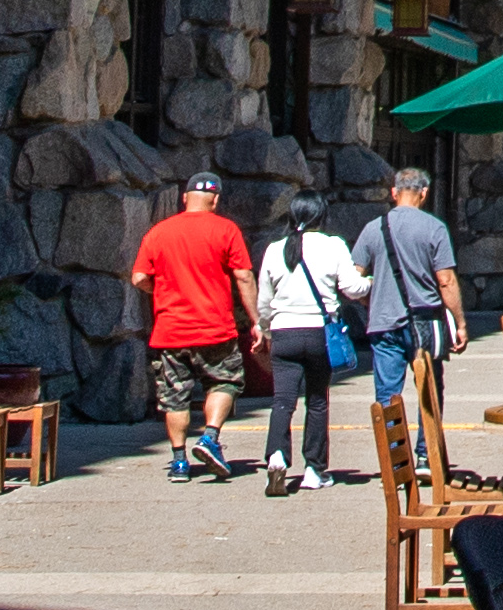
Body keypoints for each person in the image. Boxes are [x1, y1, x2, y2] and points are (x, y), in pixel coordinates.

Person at [343, 163, 471, 478]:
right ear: (424, 194)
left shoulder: (374, 228)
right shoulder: (434, 228)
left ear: (393, 193)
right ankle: (426, 457)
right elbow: (446, 281)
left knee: (388, 392)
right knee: (429, 387)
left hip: (383, 323)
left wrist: (369, 298)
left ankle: (396, 460)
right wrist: (460, 322)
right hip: (425, 321)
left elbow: (351, 279)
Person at [130, 172, 254, 481]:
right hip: (215, 328)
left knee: (175, 397)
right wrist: (256, 320)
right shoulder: (227, 230)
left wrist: (160, 290)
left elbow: (139, 278)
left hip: (170, 331)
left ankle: (179, 462)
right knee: (225, 382)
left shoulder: (158, 233)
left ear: (184, 198)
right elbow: (243, 276)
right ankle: (210, 436)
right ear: (216, 200)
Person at [248, 195, 361, 496]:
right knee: (317, 401)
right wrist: (372, 282)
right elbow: (351, 287)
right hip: (319, 334)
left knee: (282, 401)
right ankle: (314, 469)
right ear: (322, 215)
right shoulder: (333, 245)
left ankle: (276, 457)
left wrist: (264, 329)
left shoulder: (275, 249)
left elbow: (264, 300)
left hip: (284, 332)